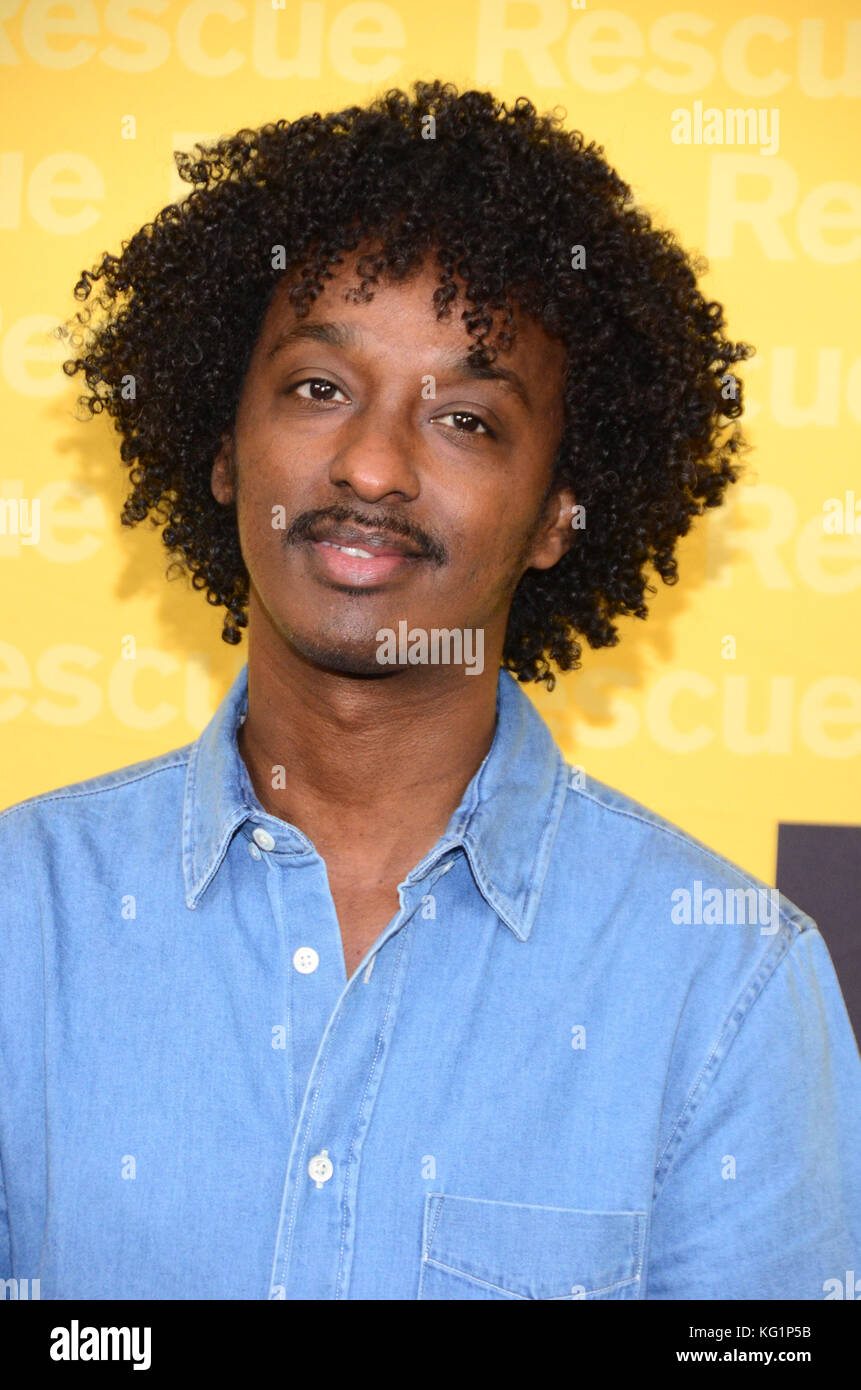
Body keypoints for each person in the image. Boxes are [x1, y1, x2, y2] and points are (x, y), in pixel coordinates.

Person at [1, 80, 858, 1301]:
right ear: (220, 441)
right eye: (316, 388)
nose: (370, 463)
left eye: (465, 417)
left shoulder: (726, 984)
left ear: (562, 508)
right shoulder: (24, 921)